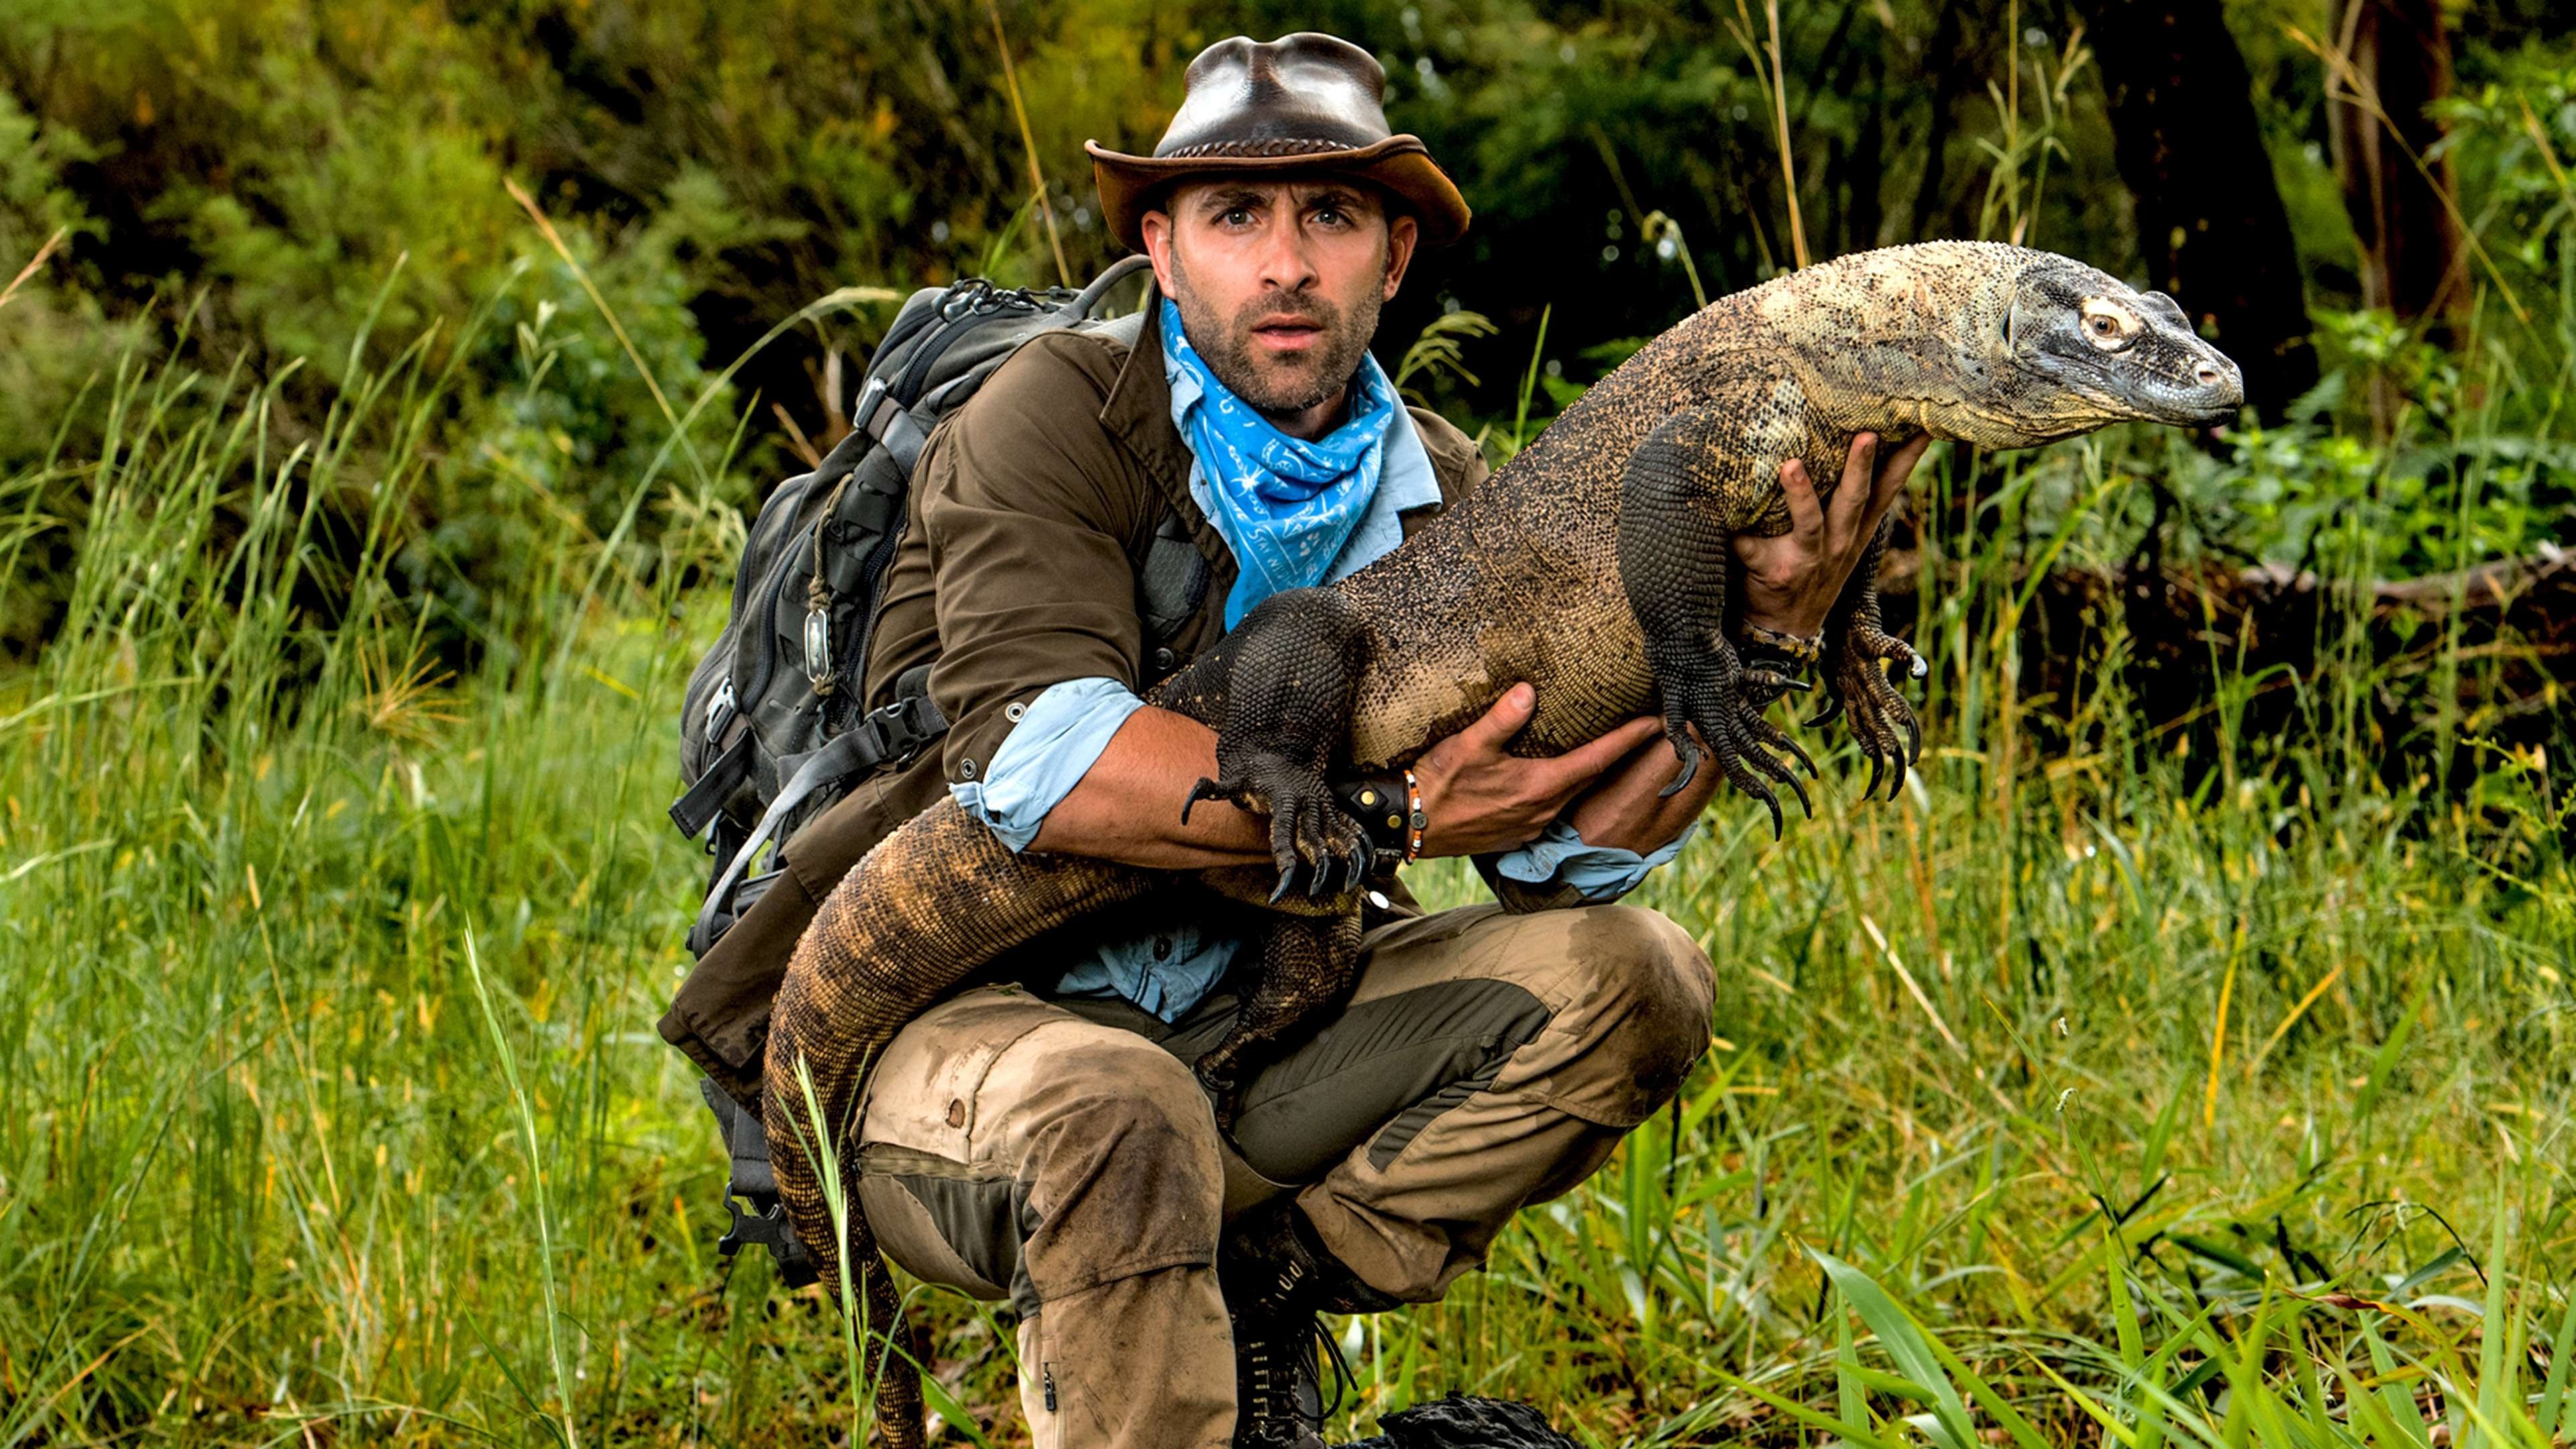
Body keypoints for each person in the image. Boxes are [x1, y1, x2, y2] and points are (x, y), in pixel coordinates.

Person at [659, 31, 1927, 1449]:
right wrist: (1394, 822)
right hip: (962, 1038)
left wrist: (1761, 641)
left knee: (1635, 975)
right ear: (1162, 246)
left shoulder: (1452, 491)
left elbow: (1567, 854)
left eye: (1330, 217)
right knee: (1115, 1106)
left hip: (1255, 1013)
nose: (1285, 263)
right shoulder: (1056, 418)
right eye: (1235, 217)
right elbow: (1043, 767)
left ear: (1394, 259)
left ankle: (1261, 1290)